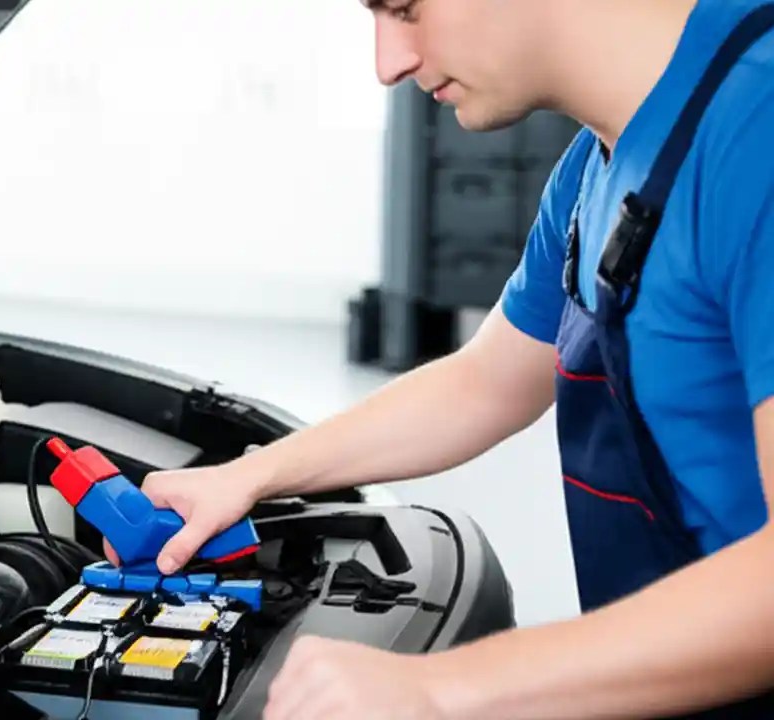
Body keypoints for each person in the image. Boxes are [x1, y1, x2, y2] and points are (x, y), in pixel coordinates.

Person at [100, 0, 774, 717]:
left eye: (405, 8)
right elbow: (486, 382)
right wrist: (248, 476)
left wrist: (440, 688)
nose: (389, 64)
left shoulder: (757, 131)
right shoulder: (601, 162)